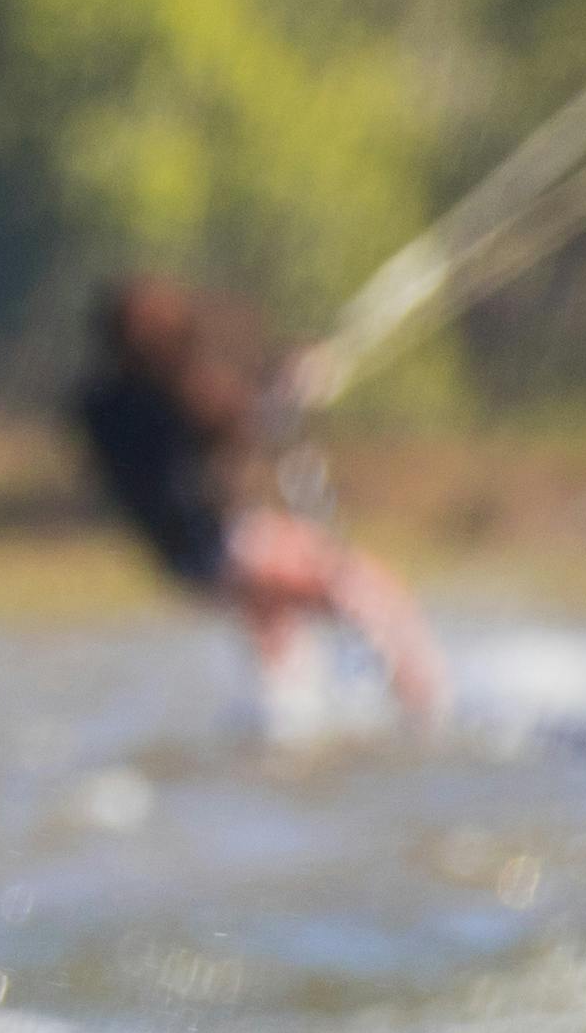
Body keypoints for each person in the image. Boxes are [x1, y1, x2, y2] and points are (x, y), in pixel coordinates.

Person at [70, 273, 446, 727]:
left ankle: (286, 729)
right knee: (365, 589)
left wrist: (276, 387)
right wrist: (287, 388)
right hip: (226, 543)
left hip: (188, 558)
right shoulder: (151, 399)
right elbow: (224, 419)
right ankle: (428, 709)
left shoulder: (103, 403)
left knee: (276, 627)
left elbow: (219, 415)